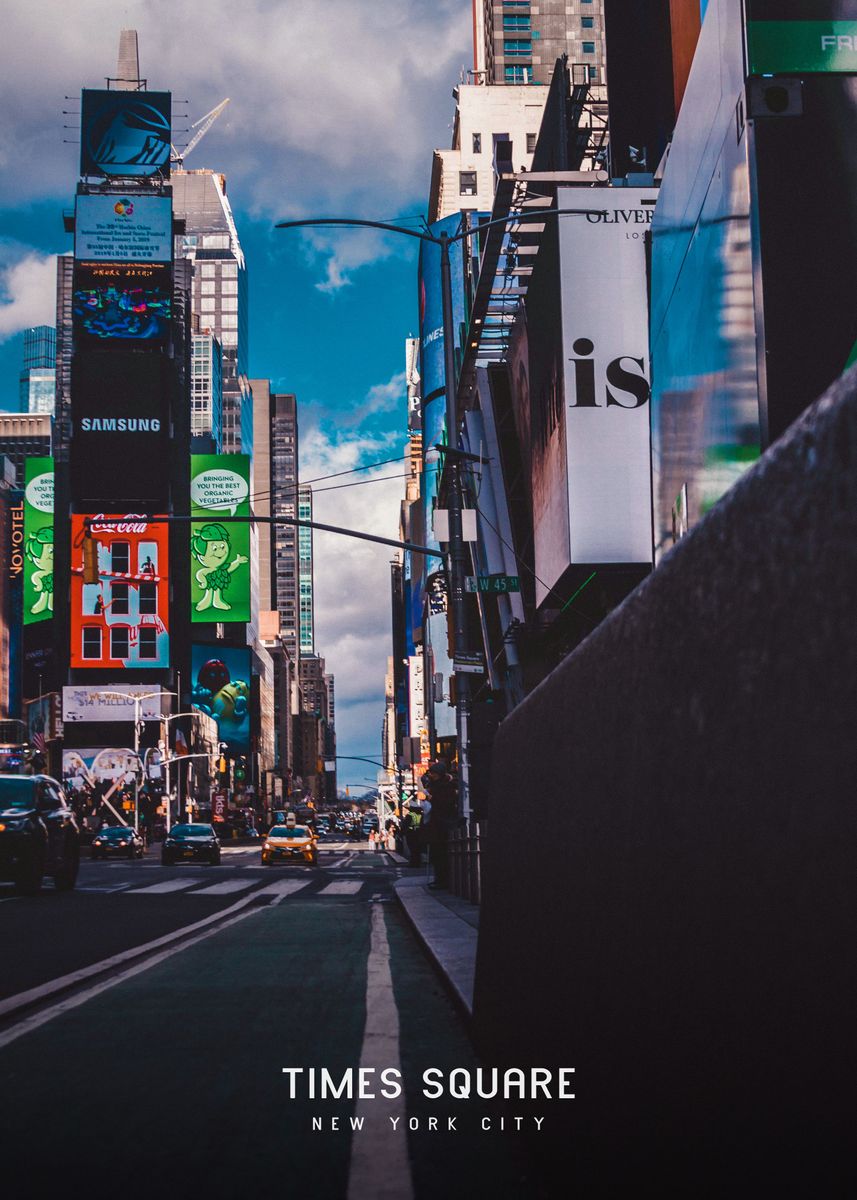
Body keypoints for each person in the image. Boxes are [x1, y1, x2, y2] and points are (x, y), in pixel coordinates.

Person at [420, 761, 457, 890]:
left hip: (442, 824)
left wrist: (431, 798)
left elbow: (446, 803)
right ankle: (439, 879)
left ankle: (443, 881)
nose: (431, 775)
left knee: (441, 854)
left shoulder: (446, 786)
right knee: (436, 854)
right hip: (435, 824)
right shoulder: (435, 785)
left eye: (433, 773)